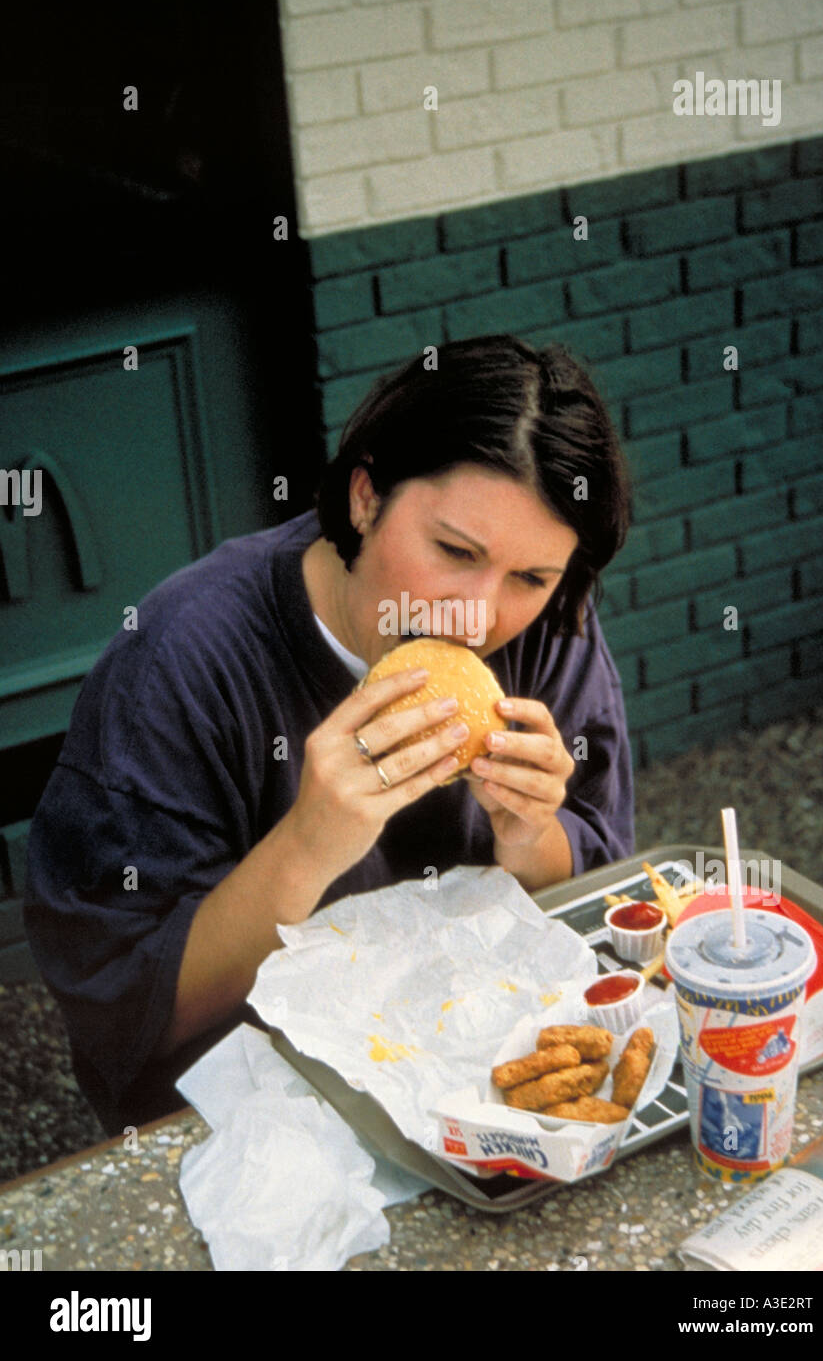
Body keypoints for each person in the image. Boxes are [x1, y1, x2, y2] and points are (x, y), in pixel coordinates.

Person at [25, 334, 635, 1136]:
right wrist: (309, 843)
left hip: (472, 1078)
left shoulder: (554, 629)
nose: (479, 615)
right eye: (454, 550)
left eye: (529, 577)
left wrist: (529, 832)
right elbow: (121, 1014)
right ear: (363, 497)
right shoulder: (178, 659)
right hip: (258, 1119)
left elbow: (604, 892)